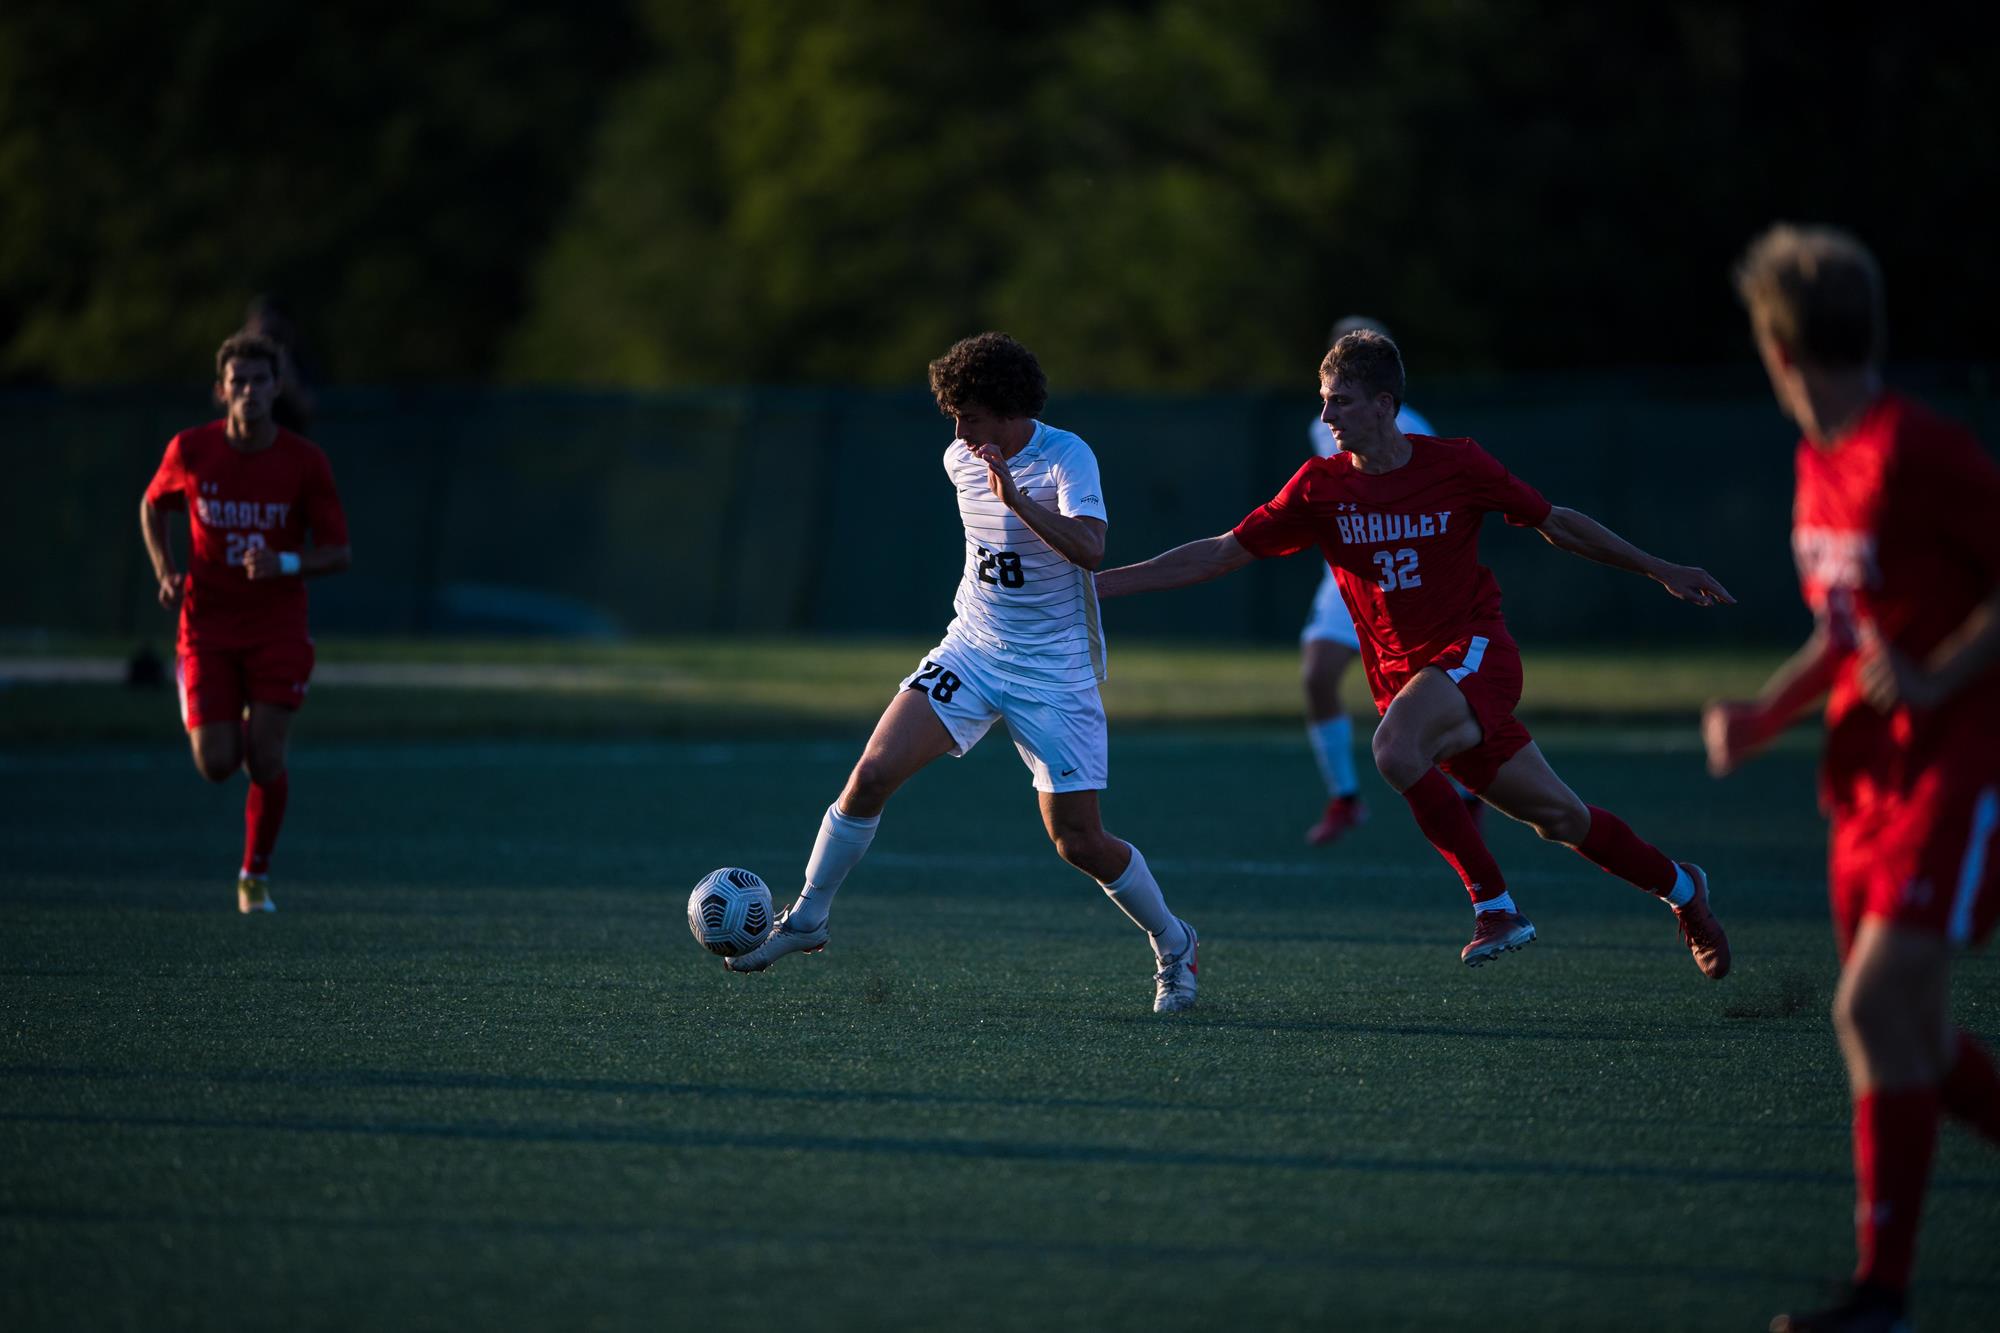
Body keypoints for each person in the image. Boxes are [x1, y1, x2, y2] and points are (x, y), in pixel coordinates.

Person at [1096, 329, 1735, 973]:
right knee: (1561, 819)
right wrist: (1097, 587)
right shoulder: (1319, 487)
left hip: (1477, 653)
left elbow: (1556, 522)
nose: (1326, 416)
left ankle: (1495, 907)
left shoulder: (1455, 464)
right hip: (1410, 684)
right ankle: (1684, 889)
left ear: (1384, 403)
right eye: (1322, 400)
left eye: (1340, 401)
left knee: (1393, 748)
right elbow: (1220, 552)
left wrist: (1658, 567)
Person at [1704, 225, 2000, 1333]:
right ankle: (1881, 1289)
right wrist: (1765, 716)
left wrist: (1934, 676)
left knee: (1870, 1005)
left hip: (1958, 768)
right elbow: (1846, 629)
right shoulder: (1817, 460)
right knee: (1911, 1035)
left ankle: (1880, 1293)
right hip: (1861, 783)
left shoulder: (1918, 448)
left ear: (1779, 351)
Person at [723, 332, 1200, 1013]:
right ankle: (807, 919)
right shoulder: (959, 457)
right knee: (872, 772)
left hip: (1054, 672)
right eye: (953, 415)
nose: (958, 429)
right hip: (973, 648)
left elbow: (1091, 550)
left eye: (970, 415)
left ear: (1008, 410)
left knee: (1079, 840)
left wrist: (1018, 499)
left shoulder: (1067, 456)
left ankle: (1175, 942)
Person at [140, 331, 352, 913]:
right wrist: (166, 569)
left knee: (265, 758)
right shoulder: (191, 450)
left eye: (260, 380)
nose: (250, 391)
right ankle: (198, 683)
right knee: (216, 765)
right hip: (207, 626)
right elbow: (152, 505)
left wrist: (283, 561)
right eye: (239, 382)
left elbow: (338, 552)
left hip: (278, 626)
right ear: (221, 391)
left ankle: (253, 875)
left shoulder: (305, 462)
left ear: (277, 388)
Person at [1297, 315, 1481, 845]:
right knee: (1316, 674)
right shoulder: (1323, 420)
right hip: (1350, 567)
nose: (1333, 409)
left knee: (1426, 695)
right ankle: (1345, 798)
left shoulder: (1414, 427)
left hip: (1403, 567)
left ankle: (1470, 793)